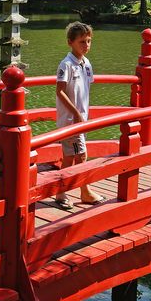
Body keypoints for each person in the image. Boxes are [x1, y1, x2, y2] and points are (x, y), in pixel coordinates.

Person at [54, 21, 105, 209]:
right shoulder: (66, 64)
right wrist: (75, 113)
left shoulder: (86, 63)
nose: (86, 45)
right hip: (71, 120)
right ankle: (84, 191)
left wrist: (82, 113)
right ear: (70, 42)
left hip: (81, 118)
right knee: (81, 155)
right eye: (82, 42)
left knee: (70, 157)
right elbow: (60, 91)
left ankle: (61, 192)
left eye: (89, 41)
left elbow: (85, 88)